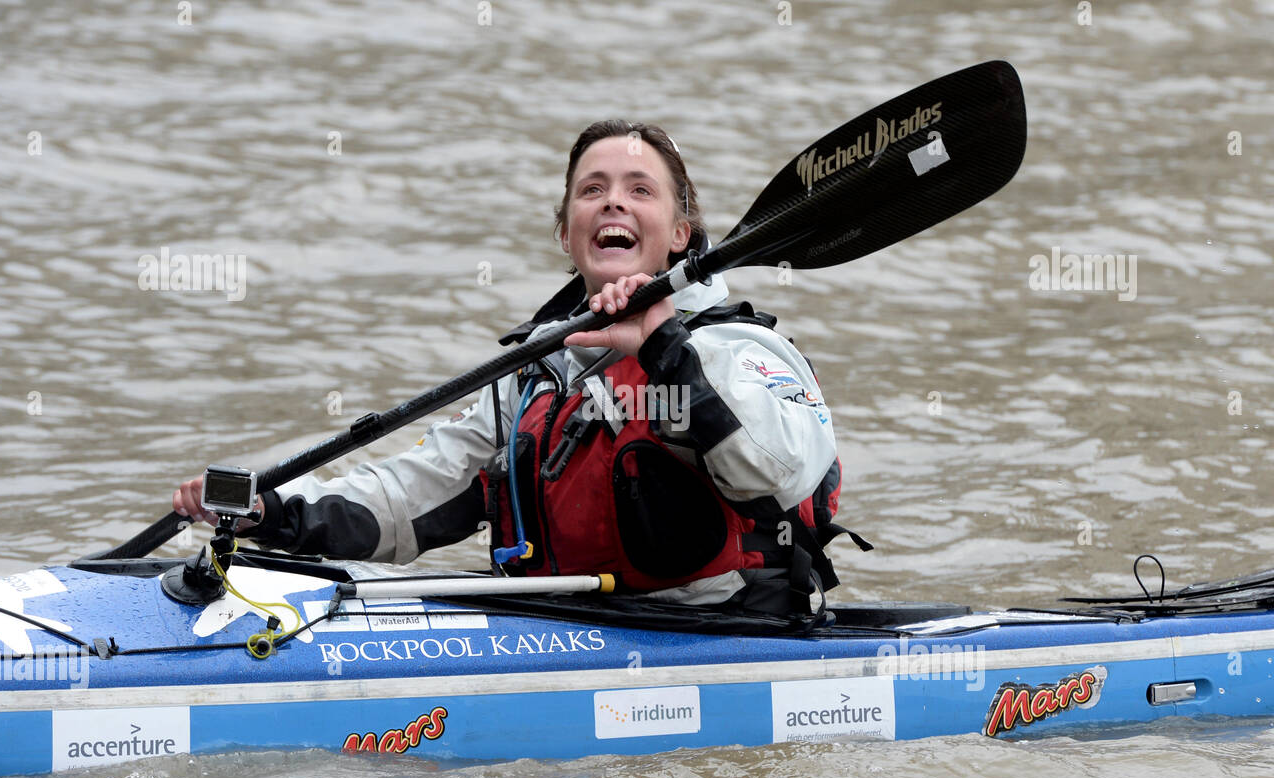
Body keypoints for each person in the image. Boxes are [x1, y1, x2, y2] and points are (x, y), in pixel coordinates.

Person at [174, 120, 867, 616]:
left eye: (640, 190)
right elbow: (409, 500)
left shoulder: (737, 349)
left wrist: (662, 348)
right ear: (568, 233)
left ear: (680, 237)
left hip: (725, 635)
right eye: (592, 189)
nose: (613, 201)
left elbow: (776, 475)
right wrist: (272, 508)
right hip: (570, 633)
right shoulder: (530, 380)